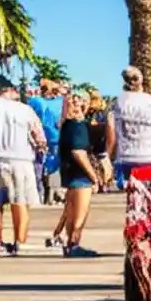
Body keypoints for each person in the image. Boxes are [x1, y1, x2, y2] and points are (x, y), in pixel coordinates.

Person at [0, 83, 46, 255]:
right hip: (21, 160)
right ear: (9, 91)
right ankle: (19, 243)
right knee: (20, 201)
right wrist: (40, 150)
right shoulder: (25, 109)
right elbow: (40, 138)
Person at [47, 93, 102, 256]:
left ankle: (70, 244)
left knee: (71, 210)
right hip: (80, 175)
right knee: (80, 212)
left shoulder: (66, 125)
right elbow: (79, 152)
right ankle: (74, 243)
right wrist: (94, 176)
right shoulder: (78, 126)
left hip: (69, 173)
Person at [106, 66, 151, 189]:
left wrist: (108, 156)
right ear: (141, 82)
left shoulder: (117, 103)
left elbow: (111, 135)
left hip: (125, 158)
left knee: (130, 196)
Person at [27, 78, 64, 202]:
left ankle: (44, 193)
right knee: (53, 165)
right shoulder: (60, 102)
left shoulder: (35, 101)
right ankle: (53, 193)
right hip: (56, 137)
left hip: (40, 137)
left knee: (40, 166)